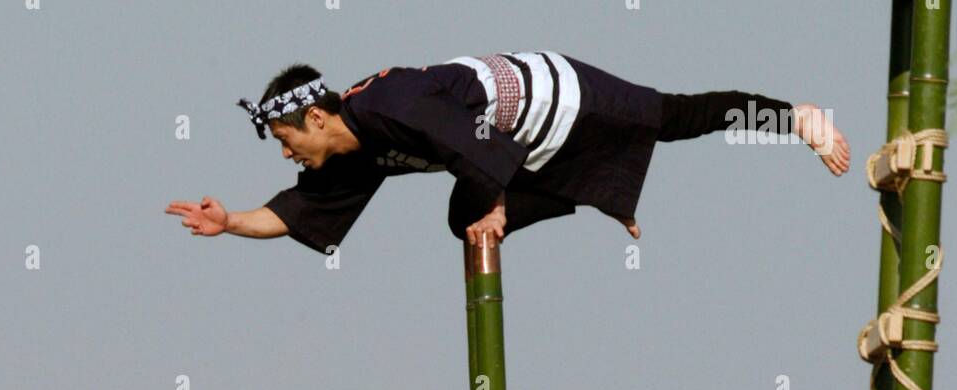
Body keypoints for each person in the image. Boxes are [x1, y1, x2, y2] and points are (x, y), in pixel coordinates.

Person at [166, 54, 849, 252]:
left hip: (559, 97)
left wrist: (495, 202)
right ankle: (584, 194)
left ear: (316, 117)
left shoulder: (390, 106)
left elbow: (471, 141)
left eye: (287, 140)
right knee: (462, 224)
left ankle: (792, 118)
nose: (287, 155)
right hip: (514, 147)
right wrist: (228, 222)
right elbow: (294, 214)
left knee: (671, 117)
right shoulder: (348, 151)